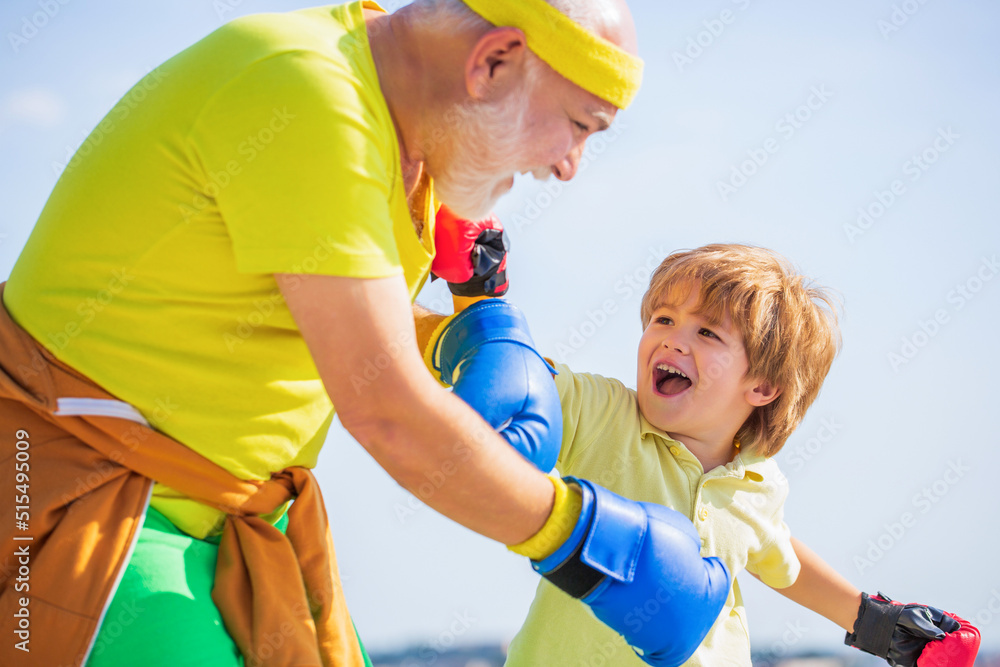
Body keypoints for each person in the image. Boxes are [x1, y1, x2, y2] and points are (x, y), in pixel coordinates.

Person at [0, 1, 731, 666]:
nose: (571, 166)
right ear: (494, 63)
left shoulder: (398, 122)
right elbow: (388, 411)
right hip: (93, 511)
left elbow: (330, 310)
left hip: (224, 523)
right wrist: (597, 546)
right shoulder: (308, 98)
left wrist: (467, 340)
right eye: (580, 125)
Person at [497, 244, 981, 666]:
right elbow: (514, 370)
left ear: (763, 385)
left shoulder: (758, 483)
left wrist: (878, 624)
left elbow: (781, 559)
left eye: (707, 333)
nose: (671, 337)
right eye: (663, 319)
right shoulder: (603, 414)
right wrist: (477, 292)